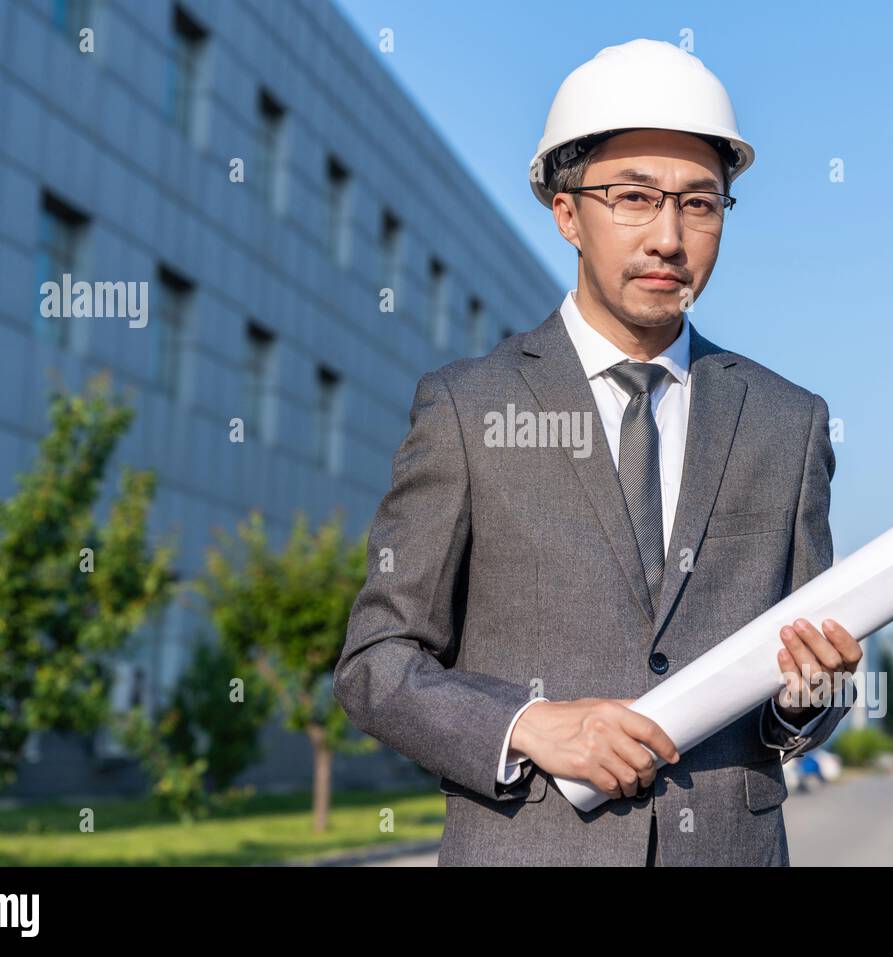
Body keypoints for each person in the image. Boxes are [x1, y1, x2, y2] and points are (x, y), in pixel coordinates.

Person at [334, 38, 860, 866]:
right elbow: (377, 663)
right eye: (633, 198)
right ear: (567, 213)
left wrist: (811, 694)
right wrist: (527, 723)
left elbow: (807, 693)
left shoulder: (788, 424)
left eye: (700, 203)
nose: (668, 237)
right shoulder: (469, 407)